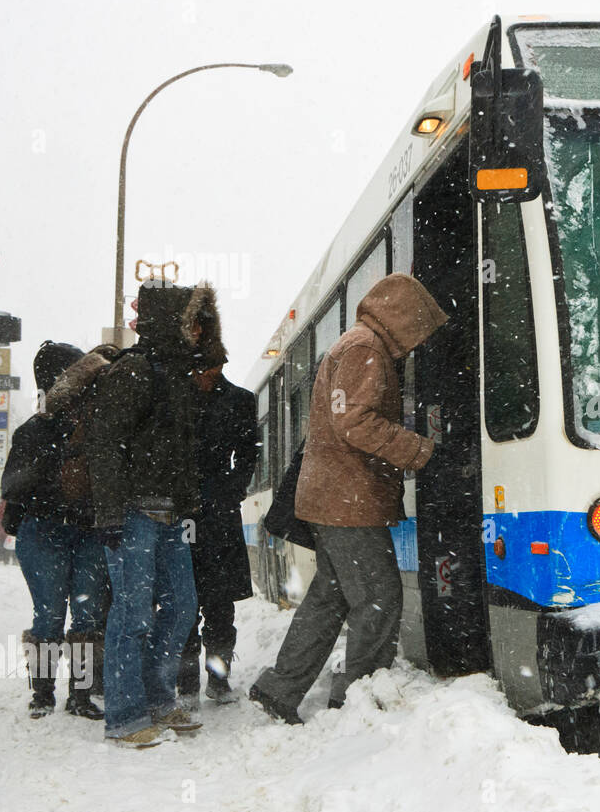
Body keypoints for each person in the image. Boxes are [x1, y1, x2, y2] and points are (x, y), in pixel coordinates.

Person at [250, 273, 447, 724]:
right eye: (418, 326)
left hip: (336, 498)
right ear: (401, 317)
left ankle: (281, 688)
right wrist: (420, 450)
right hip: (347, 501)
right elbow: (355, 423)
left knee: (330, 596)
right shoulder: (365, 350)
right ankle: (360, 697)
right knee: (379, 596)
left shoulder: (356, 344)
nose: (419, 341)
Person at [89, 280, 224, 747]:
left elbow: (182, 454)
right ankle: (124, 717)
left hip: (170, 516)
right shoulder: (135, 370)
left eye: (203, 322)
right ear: (169, 321)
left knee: (184, 606)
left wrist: (189, 508)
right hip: (131, 512)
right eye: (192, 320)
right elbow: (103, 441)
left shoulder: (177, 376)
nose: (198, 330)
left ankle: (159, 699)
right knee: (133, 614)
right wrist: (108, 511)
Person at [2, 341, 108, 720]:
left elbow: (13, 489)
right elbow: (12, 487)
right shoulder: (37, 430)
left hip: (75, 531)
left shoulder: (88, 425)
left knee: (84, 617)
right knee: (57, 616)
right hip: (51, 531)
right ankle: (46, 694)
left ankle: (75, 696)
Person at [177, 360, 257, 708]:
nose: (204, 373)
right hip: (183, 510)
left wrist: (232, 489)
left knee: (219, 602)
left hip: (219, 512)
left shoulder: (239, 400)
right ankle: (186, 683)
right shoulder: (176, 398)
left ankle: (218, 678)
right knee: (182, 600)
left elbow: (249, 451)